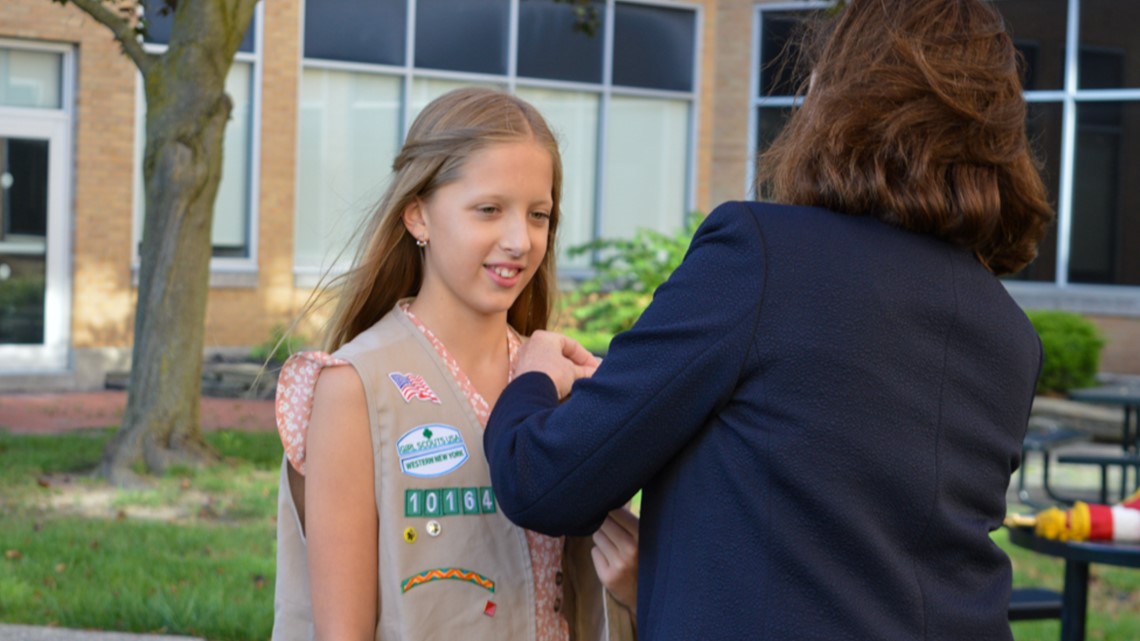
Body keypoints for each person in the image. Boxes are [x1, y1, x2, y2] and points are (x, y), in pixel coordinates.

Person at [482, 1, 1055, 639]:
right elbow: (855, 534)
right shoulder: (1009, 334)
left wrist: (530, 379)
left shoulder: (764, 254)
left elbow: (543, 481)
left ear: (846, 96)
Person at [271, 87, 637, 641]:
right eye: (489, 209)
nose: (520, 240)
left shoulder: (562, 385)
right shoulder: (354, 388)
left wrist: (633, 584)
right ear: (418, 215)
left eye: (539, 215)